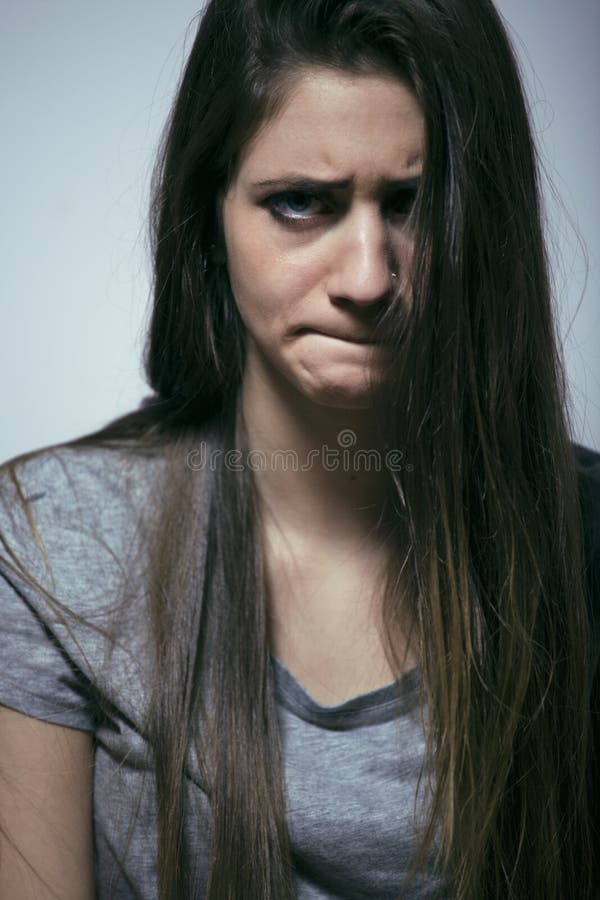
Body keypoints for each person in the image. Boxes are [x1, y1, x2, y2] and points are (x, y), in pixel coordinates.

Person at [0, 0, 598, 897]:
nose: (367, 276)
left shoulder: (580, 536)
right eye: (299, 205)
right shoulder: (57, 552)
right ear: (210, 220)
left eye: (414, 204)